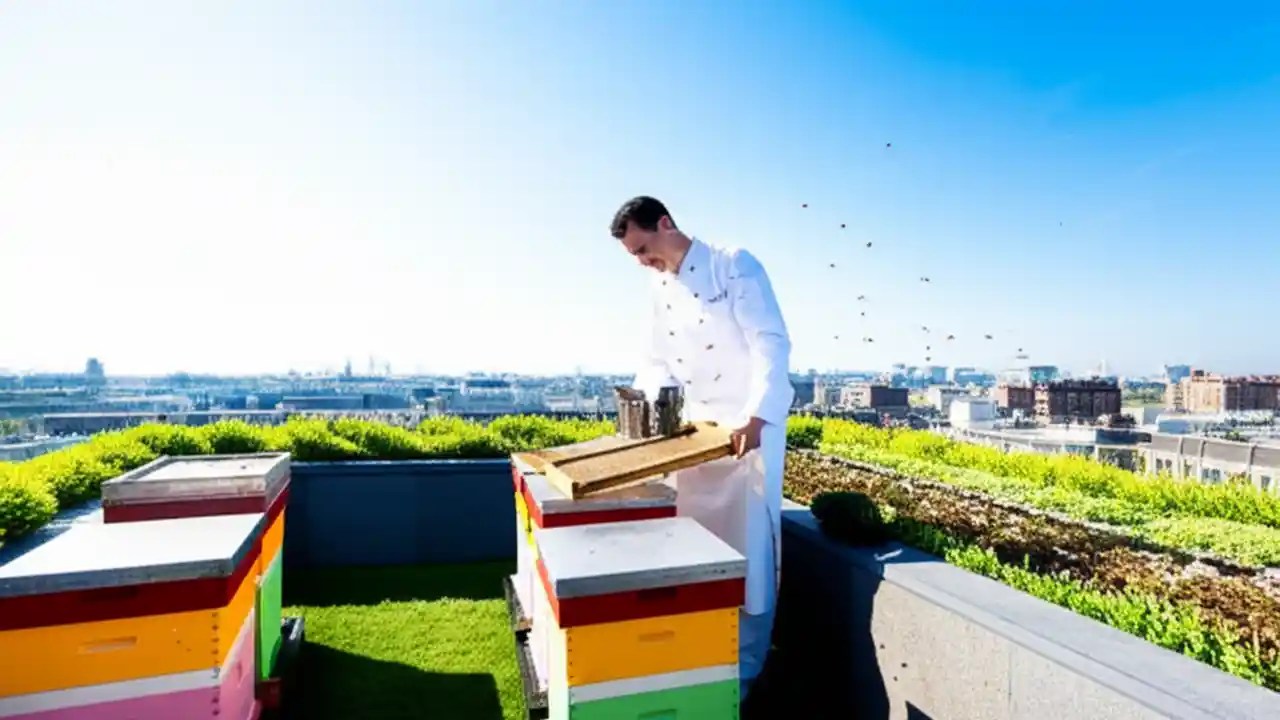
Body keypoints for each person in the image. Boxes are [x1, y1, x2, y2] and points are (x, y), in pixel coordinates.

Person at [610, 195, 794, 702]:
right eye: (635, 256)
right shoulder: (658, 286)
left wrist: (758, 415)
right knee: (695, 551)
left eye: (643, 248)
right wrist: (647, 414)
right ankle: (696, 662)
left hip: (747, 432)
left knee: (750, 553)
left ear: (665, 223)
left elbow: (771, 344)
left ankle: (746, 674)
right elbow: (654, 362)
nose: (642, 262)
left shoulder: (733, 265)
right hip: (696, 435)